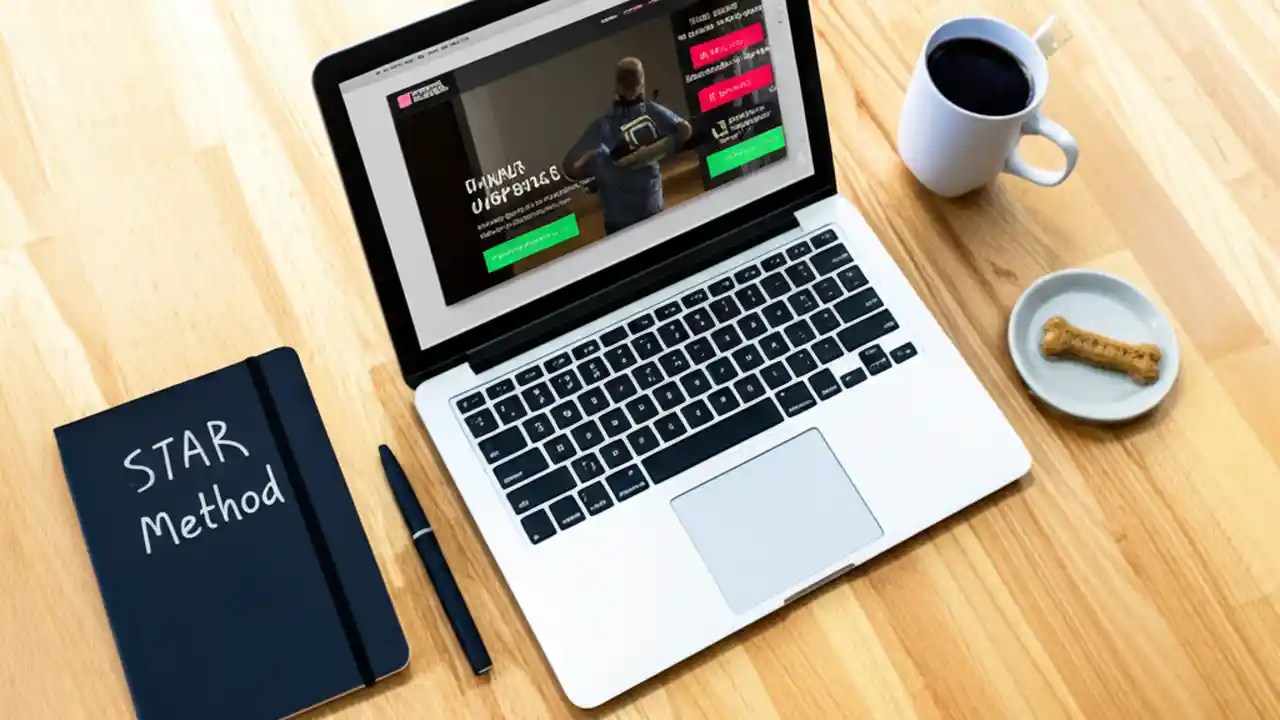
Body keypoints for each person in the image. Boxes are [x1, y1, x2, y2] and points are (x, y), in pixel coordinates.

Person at [563, 57, 693, 234]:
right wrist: (657, 150)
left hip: (625, 219)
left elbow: (570, 167)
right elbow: (684, 130)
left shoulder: (602, 125)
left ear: (617, 86)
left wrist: (598, 172)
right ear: (642, 83)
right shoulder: (650, 112)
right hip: (648, 211)